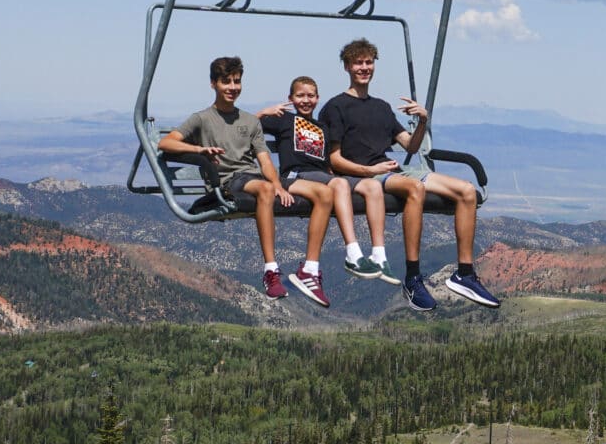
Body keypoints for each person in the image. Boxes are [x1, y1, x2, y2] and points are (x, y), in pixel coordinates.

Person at [318, 37, 497, 312]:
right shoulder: (336, 107)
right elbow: (335, 159)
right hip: (365, 176)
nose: (364, 68)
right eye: (358, 63)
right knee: (415, 189)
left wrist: (423, 120)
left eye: (369, 62)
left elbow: (410, 145)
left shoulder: (380, 107)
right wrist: (370, 170)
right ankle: (413, 278)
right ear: (347, 67)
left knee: (467, 191)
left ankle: (465, 273)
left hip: (393, 169)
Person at [159, 56, 331, 306]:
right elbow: (166, 142)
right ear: (213, 84)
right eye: (226, 82)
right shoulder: (202, 118)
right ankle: (271, 271)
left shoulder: (250, 121)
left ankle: (311, 270)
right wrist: (199, 151)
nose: (232, 87)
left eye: (236, 81)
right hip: (229, 182)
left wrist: (279, 186)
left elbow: (265, 161)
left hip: (254, 177)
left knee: (323, 193)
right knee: (264, 188)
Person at [256, 75, 377, 301]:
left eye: (310, 96)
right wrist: (264, 113)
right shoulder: (284, 120)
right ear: (290, 98)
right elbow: (245, 127)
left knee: (341, 185)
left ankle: (310, 269)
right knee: (338, 184)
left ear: (318, 98)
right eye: (300, 96)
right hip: (295, 175)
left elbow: (327, 161)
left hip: (319, 177)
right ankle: (353, 252)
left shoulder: (322, 127)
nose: (305, 100)